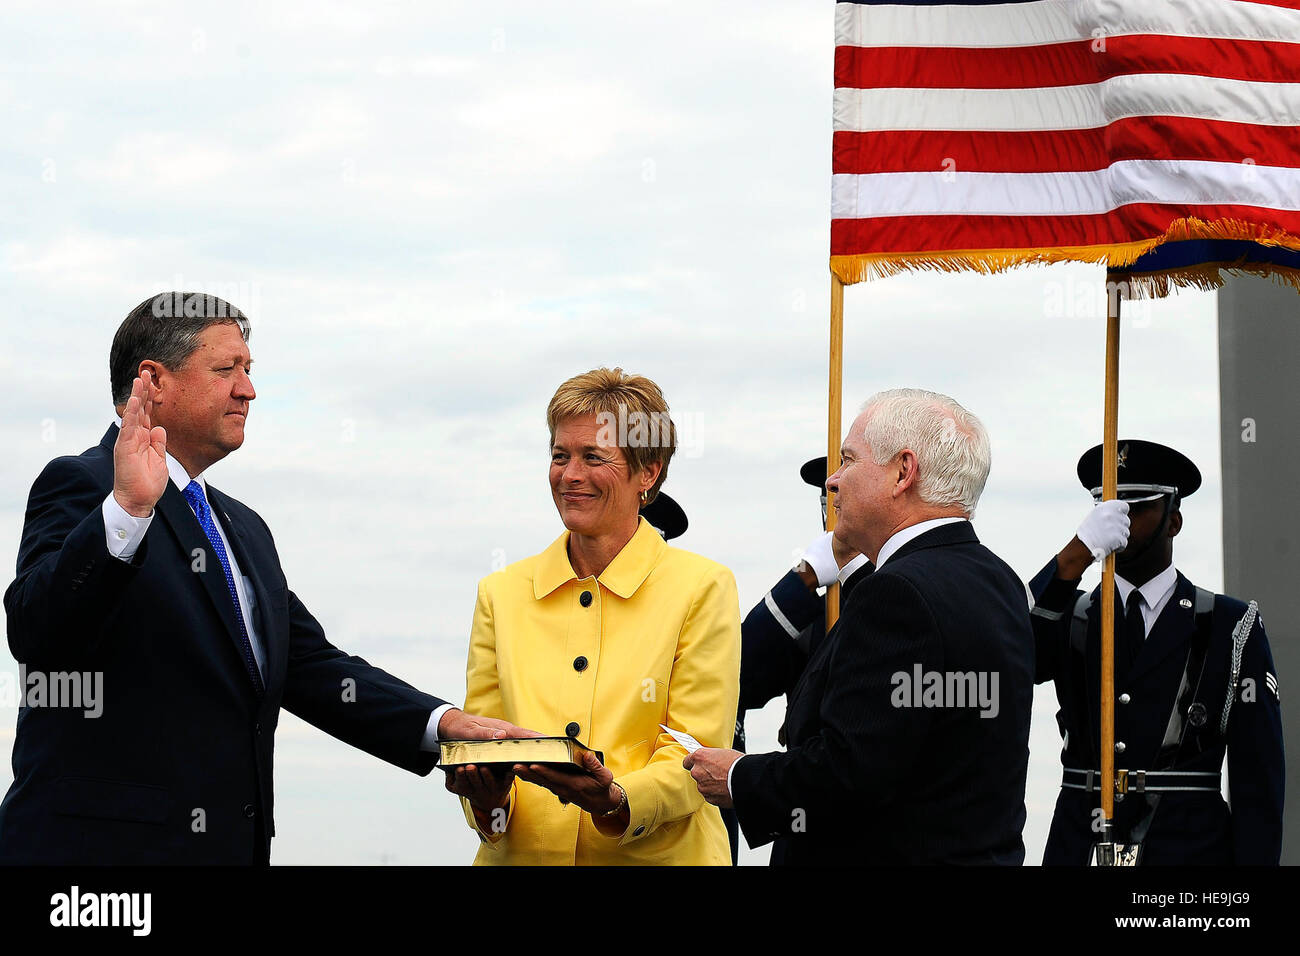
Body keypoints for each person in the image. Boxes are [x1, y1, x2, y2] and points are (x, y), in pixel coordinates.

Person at [0, 292, 524, 865]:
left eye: (248, 371)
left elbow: (310, 667)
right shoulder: (83, 485)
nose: (247, 390)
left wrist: (446, 725)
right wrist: (127, 509)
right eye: (226, 369)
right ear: (153, 381)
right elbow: (38, 632)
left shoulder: (243, 528)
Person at [686, 388, 1034, 865]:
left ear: (902, 472)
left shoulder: (896, 593)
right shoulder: (1000, 579)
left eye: (848, 460)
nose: (833, 481)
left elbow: (851, 771)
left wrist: (738, 777)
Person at [447, 368, 740, 865]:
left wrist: (617, 799)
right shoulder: (499, 593)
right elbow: (484, 741)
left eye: (593, 457)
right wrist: (486, 796)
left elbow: (697, 753)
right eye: (559, 455)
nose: (570, 474)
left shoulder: (703, 587)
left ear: (649, 472)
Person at [1029, 440, 1284, 865]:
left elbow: (1258, 784)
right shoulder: (1071, 617)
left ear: (1173, 522)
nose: (1120, 521)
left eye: (1136, 508)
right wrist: (1073, 558)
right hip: (1082, 848)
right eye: (1108, 509)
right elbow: (1015, 656)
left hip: (1188, 857)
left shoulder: (1229, 626)